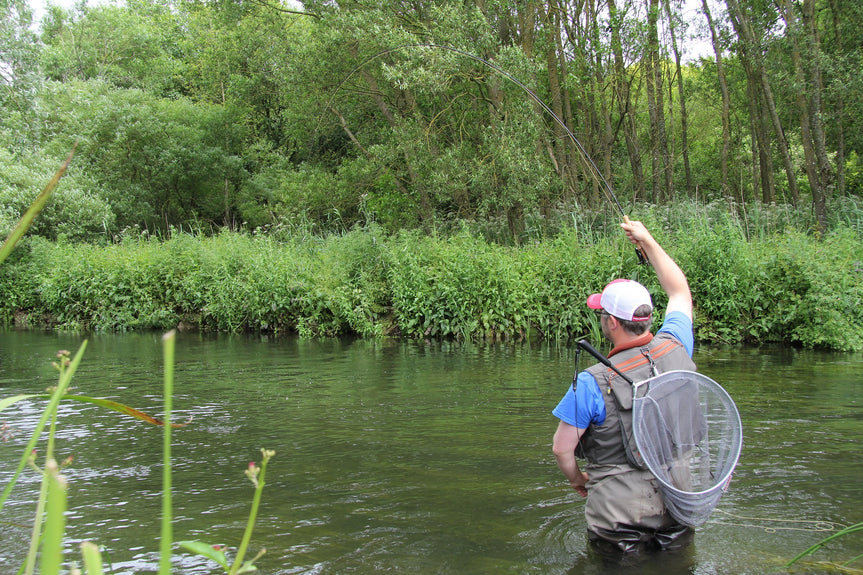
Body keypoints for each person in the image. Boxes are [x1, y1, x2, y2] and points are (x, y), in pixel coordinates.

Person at [551, 219, 696, 553]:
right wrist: (648, 241)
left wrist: (576, 479)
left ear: (612, 322)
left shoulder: (592, 381)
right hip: (679, 504)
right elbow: (679, 292)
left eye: (602, 313)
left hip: (619, 521)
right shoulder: (677, 346)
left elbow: (562, 449)